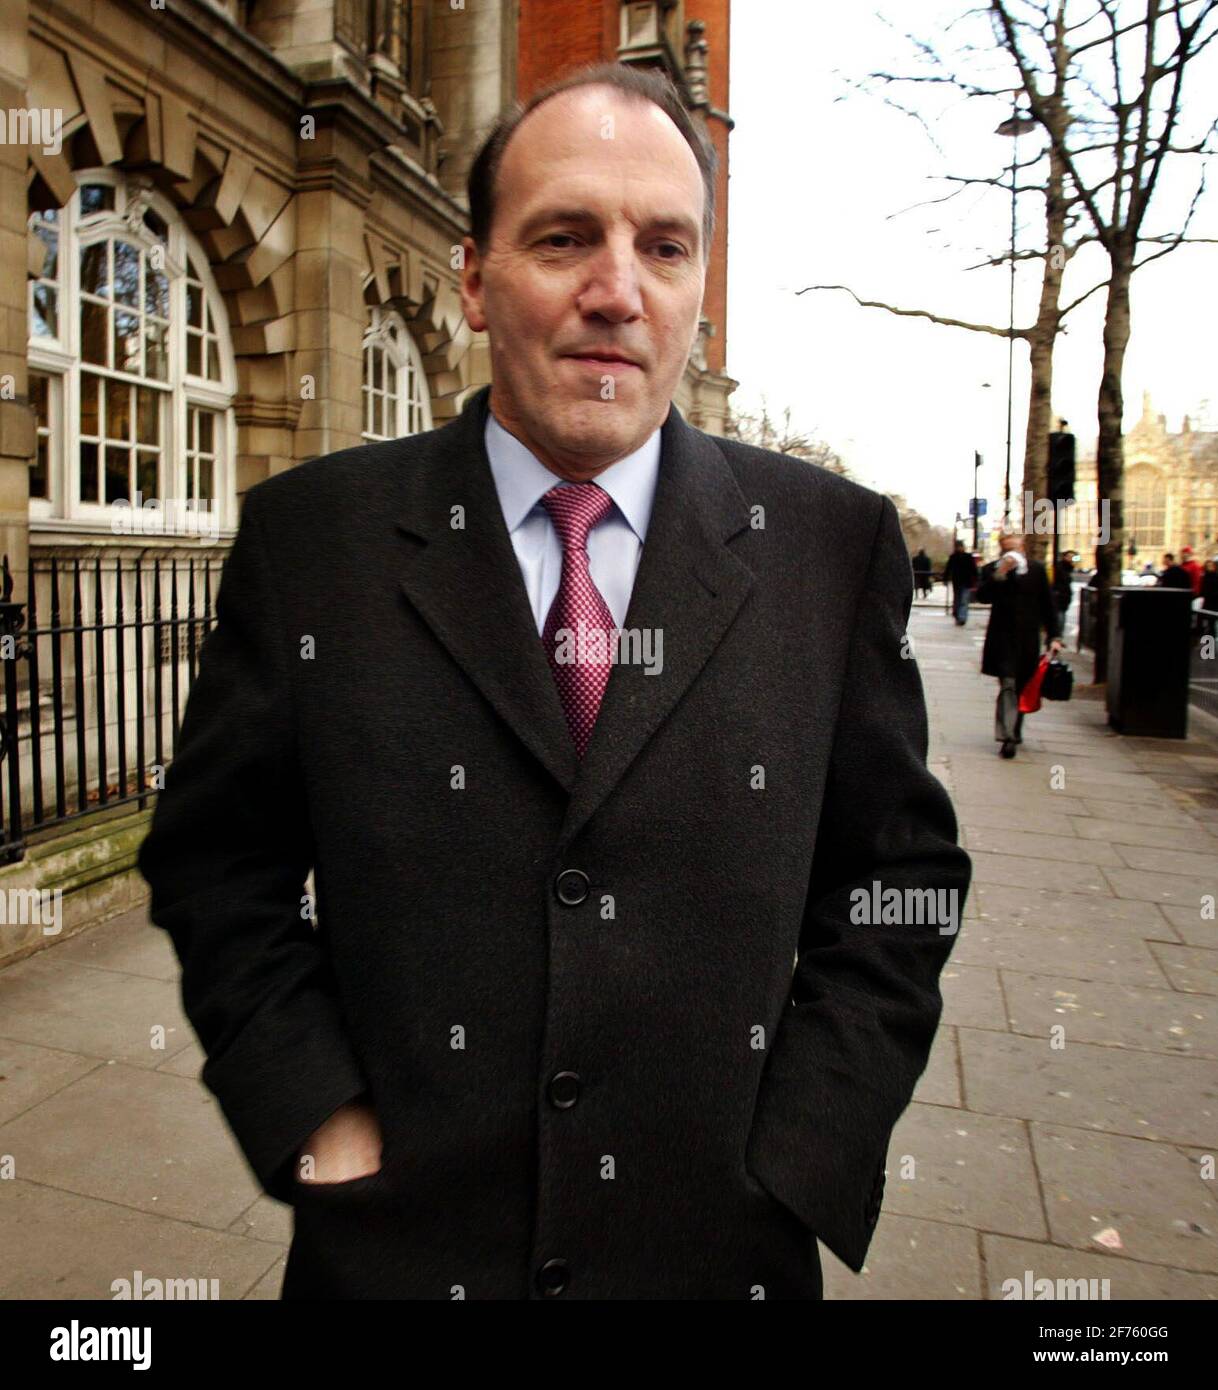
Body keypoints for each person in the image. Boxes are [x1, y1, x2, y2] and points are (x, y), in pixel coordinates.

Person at [136, 62, 970, 1302]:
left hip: (717, 1257)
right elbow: (217, 864)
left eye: (666, 247)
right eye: (565, 237)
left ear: (696, 287)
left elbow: (898, 880)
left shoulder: (829, 548)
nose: (616, 292)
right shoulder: (317, 544)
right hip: (400, 1261)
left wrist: (807, 1149)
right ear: (473, 279)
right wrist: (316, 1112)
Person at [975, 530, 1062, 758]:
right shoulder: (993, 570)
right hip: (1002, 638)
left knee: (1023, 685)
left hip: (1028, 640)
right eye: (1007, 549)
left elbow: (1048, 605)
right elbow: (982, 596)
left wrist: (1055, 636)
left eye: (1016, 548)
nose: (1012, 553)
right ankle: (1008, 737)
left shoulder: (1036, 571)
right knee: (1008, 685)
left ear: (1023, 548)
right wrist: (1000, 574)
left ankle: (1015, 726)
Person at [943, 539, 979, 625]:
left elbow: (973, 570)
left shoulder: (966, 557)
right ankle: (958, 615)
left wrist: (975, 580)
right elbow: (948, 569)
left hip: (964, 582)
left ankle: (961, 617)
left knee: (963, 600)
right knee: (958, 600)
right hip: (959, 581)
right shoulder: (955, 557)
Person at [1051, 551, 1075, 617]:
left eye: (1072, 557)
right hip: (1060, 597)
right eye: (1069, 557)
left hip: (1063, 598)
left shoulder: (1068, 568)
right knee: (1059, 618)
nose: (1071, 559)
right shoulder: (1060, 567)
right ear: (1064, 557)